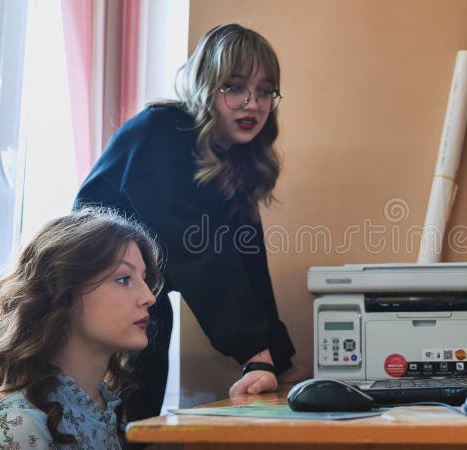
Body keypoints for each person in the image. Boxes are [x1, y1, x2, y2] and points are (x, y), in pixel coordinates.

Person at [73, 23, 299, 422]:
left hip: (141, 299)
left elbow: (249, 261)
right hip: (85, 302)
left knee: (136, 419)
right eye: (234, 86)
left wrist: (278, 362)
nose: (253, 103)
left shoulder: (234, 163)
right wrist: (254, 353)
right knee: (108, 427)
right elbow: (198, 253)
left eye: (265, 91)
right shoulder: (163, 133)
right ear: (205, 87)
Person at [0, 208, 163, 449]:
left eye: (144, 279)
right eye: (124, 279)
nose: (149, 296)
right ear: (62, 293)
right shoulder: (21, 425)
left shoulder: (102, 409)